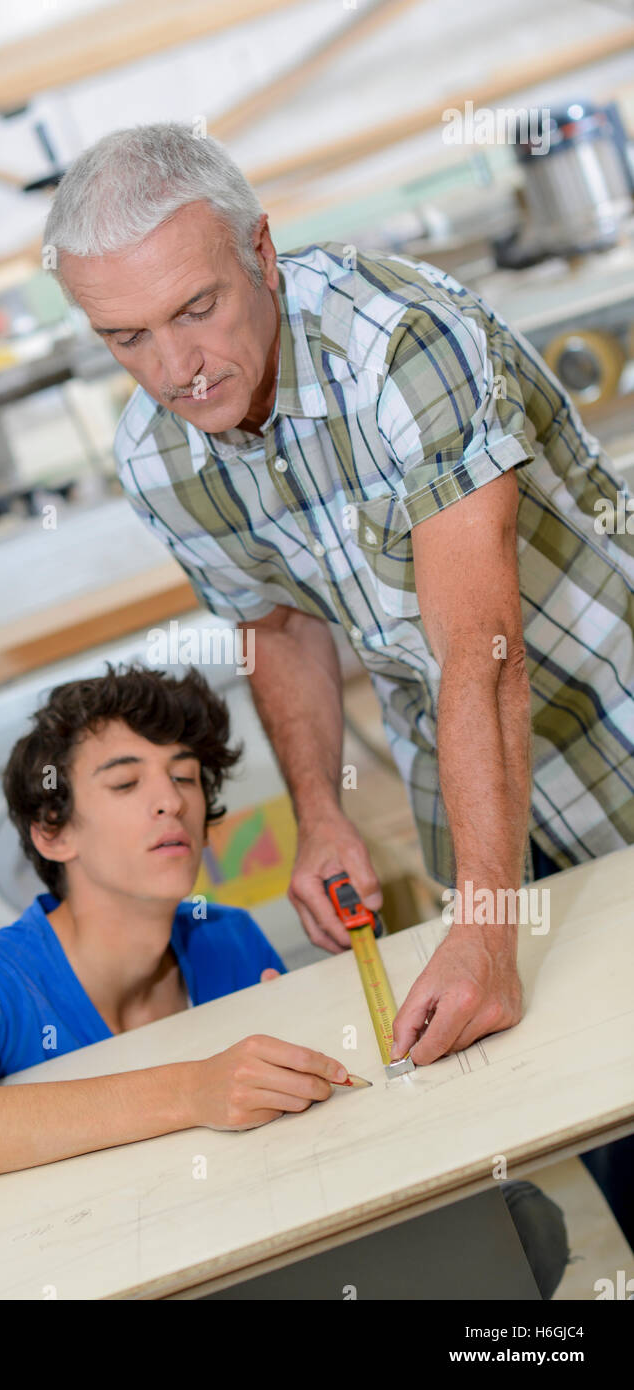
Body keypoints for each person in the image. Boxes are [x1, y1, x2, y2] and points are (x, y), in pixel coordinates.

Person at [41, 118, 634, 1247]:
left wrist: (486, 923)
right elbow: (278, 624)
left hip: (614, 721)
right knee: (589, 1109)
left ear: (262, 251)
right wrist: (319, 814)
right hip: (468, 785)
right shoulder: (160, 452)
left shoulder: (402, 345)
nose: (177, 368)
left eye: (196, 308)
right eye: (126, 338)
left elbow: (484, 654)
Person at [0, 665, 352, 1187]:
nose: (171, 801)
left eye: (185, 777)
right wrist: (194, 1089)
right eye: (126, 782)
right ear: (53, 833)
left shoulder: (229, 939)